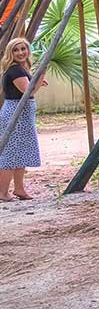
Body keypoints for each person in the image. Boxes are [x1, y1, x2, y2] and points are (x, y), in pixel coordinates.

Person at [1, 36, 44, 200]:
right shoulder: (15, 70)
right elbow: (29, 92)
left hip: (21, 115)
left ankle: (19, 189)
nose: (20, 52)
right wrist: (39, 79)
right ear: (10, 53)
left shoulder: (21, 68)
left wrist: (37, 81)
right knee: (10, 154)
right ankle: (2, 192)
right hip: (15, 115)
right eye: (16, 50)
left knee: (21, 153)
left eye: (23, 49)